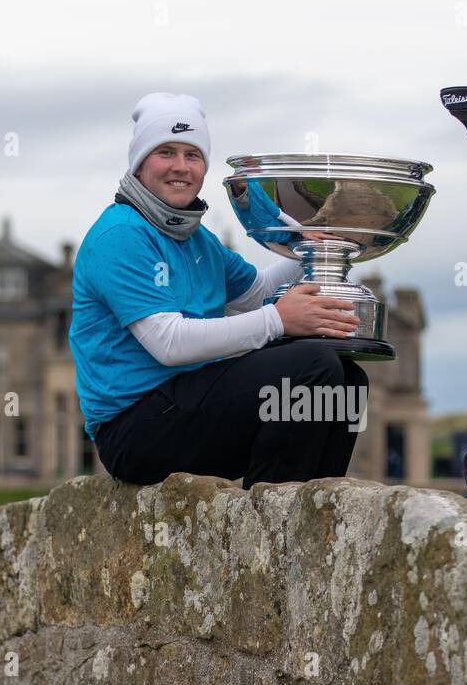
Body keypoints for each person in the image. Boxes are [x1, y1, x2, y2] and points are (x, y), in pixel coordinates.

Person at [70, 92, 370, 490]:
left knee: (348, 381)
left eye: (193, 156)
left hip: (185, 406)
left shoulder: (196, 238)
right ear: (140, 162)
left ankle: (307, 510)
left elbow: (256, 291)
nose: (181, 167)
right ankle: (268, 521)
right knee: (311, 367)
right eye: (166, 152)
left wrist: (312, 248)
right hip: (134, 428)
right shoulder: (121, 234)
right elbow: (168, 343)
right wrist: (278, 319)